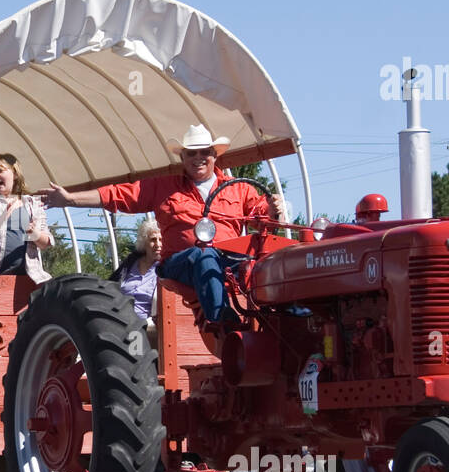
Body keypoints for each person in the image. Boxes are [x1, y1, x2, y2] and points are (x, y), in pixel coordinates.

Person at [42, 124, 280, 324]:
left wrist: (273, 210)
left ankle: (299, 331)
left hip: (229, 261)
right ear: (182, 157)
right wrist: (70, 199)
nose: (198, 158)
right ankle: (223, 323)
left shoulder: (239, 188)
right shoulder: (163, 187)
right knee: (204, 255)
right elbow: (118, 195)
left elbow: (264, 221)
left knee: (271, 266)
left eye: (204, 152)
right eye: (191, 153)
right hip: (181, 263)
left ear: (215, 155)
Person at [0, 154, 54, 282]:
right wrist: (2, 217)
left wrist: (34, 233)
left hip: (29, 279)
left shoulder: (32, 204)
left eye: (0, 171)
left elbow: (45, 243)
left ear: (15, 174)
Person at [110, 216, 162, 328]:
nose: (158, 244)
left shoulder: (165, 267)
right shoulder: (130, 263)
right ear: (144, 243)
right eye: (153, 240)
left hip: (146, 325)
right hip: (118, 320)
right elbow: (111, 285)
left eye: (161, 240)